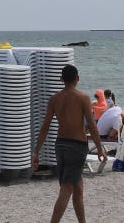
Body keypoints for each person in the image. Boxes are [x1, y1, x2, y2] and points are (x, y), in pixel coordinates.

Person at [33, 65, 107, 223]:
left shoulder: (54, 99)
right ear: (77, 78)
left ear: (61, 79)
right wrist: (100, 149)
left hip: (60, 145)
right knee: (67, 188)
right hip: (77, 146)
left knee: (77, 187)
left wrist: (36, 152)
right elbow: (93, 127)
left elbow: (45, 127)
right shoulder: (83, 98)